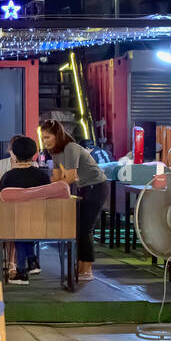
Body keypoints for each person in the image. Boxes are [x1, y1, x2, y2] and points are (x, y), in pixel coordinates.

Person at [41, 120, 107, 281]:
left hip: (96, 186)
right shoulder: (54, 152)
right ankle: (81, 267)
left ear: (57, 136)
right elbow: (56, 178)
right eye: (43, 138)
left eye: (48, 137)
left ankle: (87, 270)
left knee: (85, 229)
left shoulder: (70, 148)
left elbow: (70, 177)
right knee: (79, 229)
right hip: (85, 187)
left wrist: (46, 190)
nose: (45, 141)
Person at [0, 135, 51, 285]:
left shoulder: (8, 177)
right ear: (33, 153)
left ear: (14, 153)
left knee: (19, 223)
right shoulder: (43, 176)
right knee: (26, 222)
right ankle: (32, 259)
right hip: (41, 222)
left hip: (13, 223)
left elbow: (1, 200)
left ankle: (21, 271)